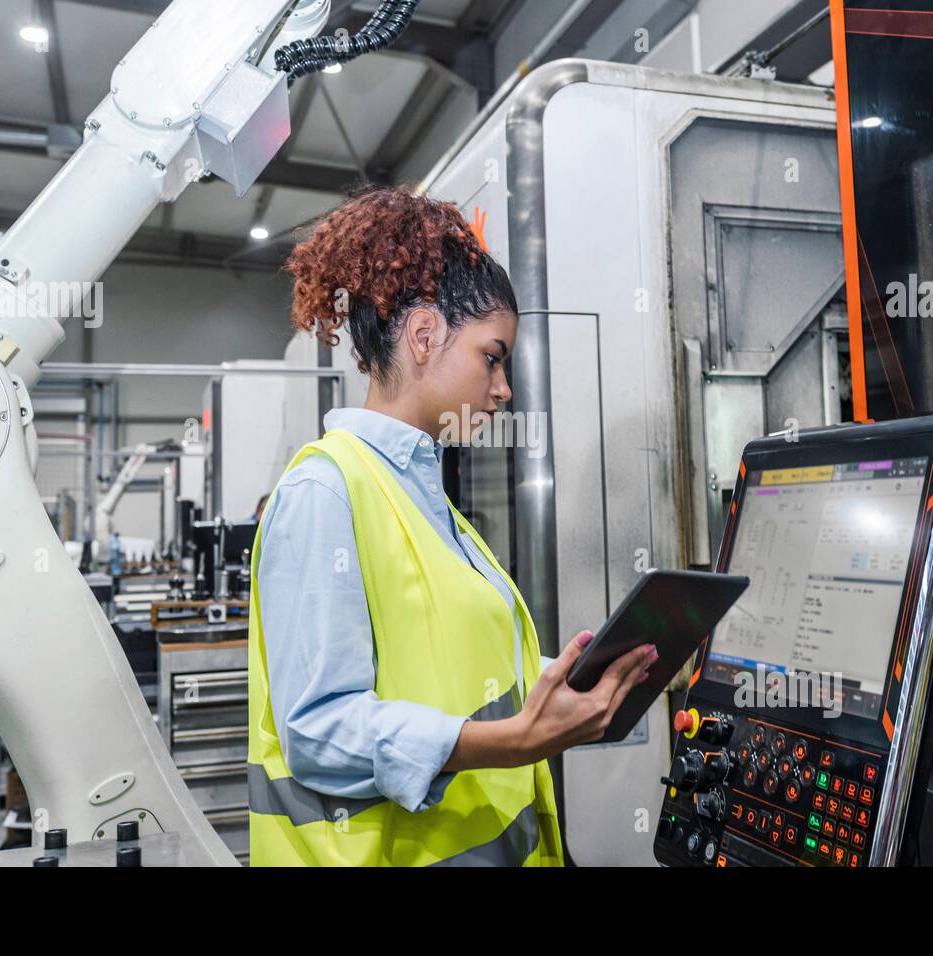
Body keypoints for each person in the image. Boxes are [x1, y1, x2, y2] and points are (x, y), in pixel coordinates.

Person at [247, 186, 655, 866]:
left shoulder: (429, 501)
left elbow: (459, 678)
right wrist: (510, 744)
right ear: (425, 335)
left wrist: (573, 682)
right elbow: (317, 731)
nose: (504, 390)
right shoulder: (325, 490)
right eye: (492, 358)